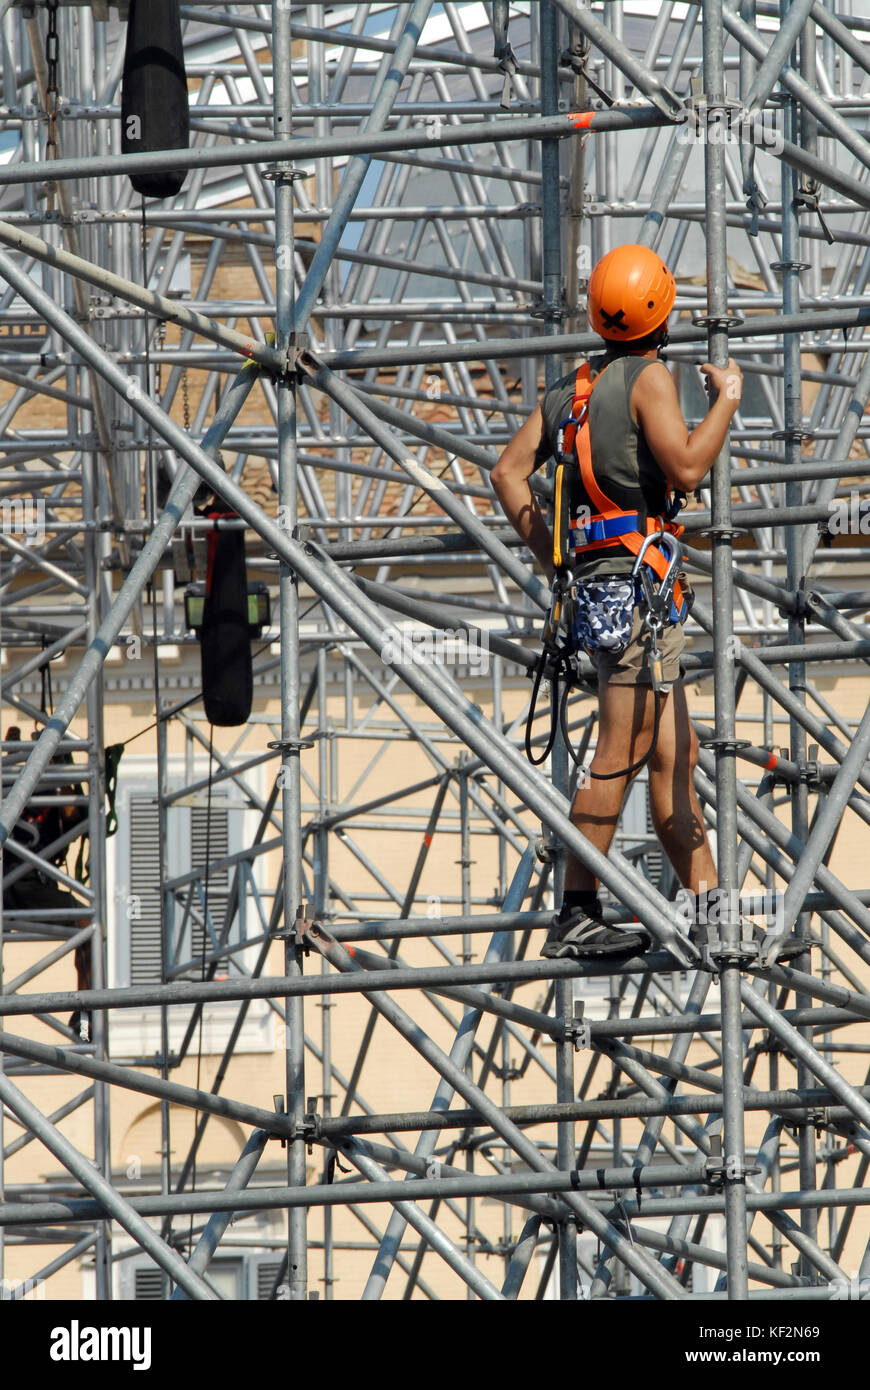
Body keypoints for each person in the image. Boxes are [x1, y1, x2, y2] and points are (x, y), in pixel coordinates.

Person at [492, 242, 796, 963]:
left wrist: (556, 556)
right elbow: (689, 463)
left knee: (674, 756)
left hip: (609, 588)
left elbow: (506, 474)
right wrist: (727, 397)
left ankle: (714, 918)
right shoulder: (649, 379)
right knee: (621, 752)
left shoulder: (571, 389)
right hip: (638, 591)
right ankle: (575, 911)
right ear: (662, 308)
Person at [2, 726, 92, 1037]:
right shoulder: (15, 784)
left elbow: (71, 813)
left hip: (34, 884)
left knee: (88, 928)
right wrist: (13, 755)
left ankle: (85, 1011)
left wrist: (60, 766)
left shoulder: (64, 793)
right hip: (8, 880)